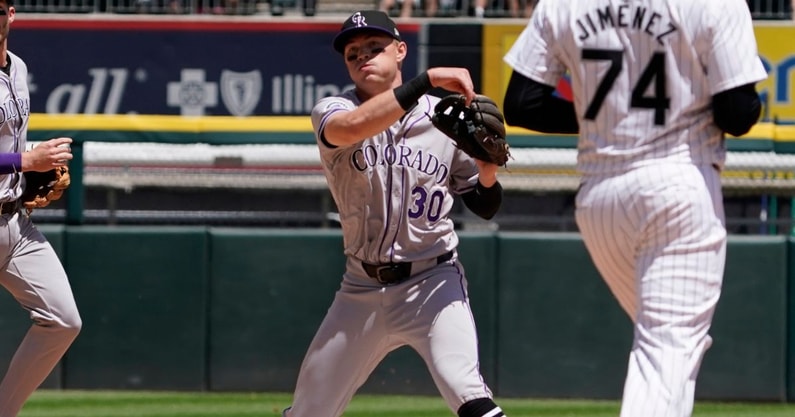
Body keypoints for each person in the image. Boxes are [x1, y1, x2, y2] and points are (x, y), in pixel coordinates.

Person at [502, 1, 766, 417]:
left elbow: (521, 102)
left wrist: (613, 114)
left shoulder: (562, 4)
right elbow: (736, 113)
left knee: (673, 342)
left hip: (599, 199)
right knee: (667, 344)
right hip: (677, 182)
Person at [282, 9, 507, 417]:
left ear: (400, 50)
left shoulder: (445, 119)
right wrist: (427, 80)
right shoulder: (332, 109)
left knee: (467, 391)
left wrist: (488, 170)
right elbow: (351, 129)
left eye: (374, 47)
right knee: (309, 411)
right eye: (353, 53)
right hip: (361, 287)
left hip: (433, 281)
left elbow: (484, 204)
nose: (363, 57)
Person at [0, 0, 82, 416]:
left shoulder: (18, 68)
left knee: (63, 320)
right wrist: (25, 162)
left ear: (11, 14)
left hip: (14, 222)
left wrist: (27, 165)